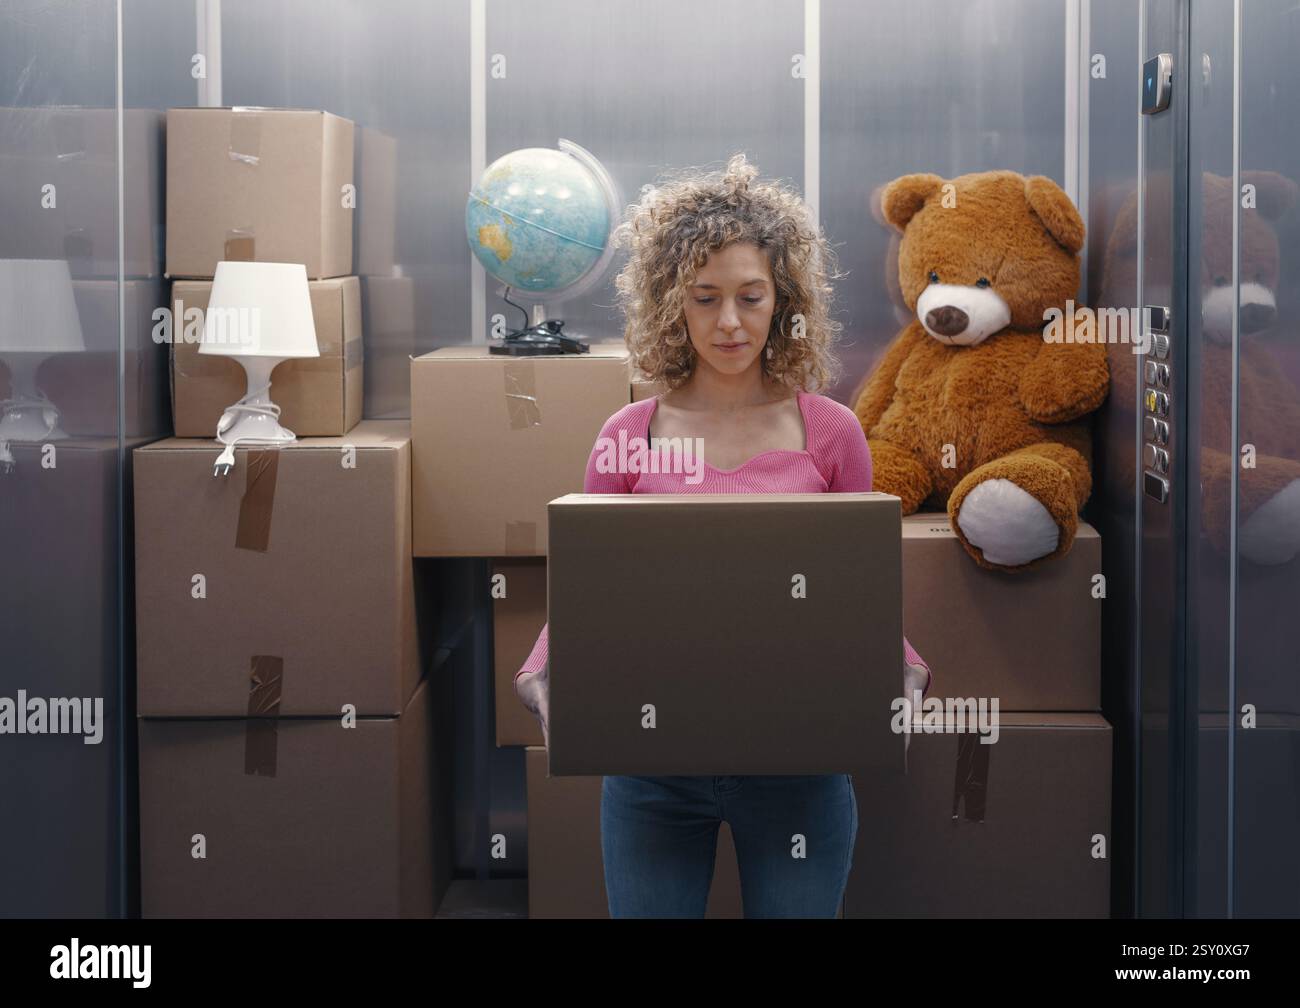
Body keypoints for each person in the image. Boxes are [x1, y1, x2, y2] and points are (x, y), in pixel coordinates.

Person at [514, 152, 932, 918]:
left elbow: (858, 588)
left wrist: (900, 666)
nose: (729, 322)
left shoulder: (832, 432)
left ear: (785, 300)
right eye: (705, 299)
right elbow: (587, 587)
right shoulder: (627, 433)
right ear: (673, 303)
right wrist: (544, 663)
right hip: (651, 773)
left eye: (750, 296)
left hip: (801, 766)